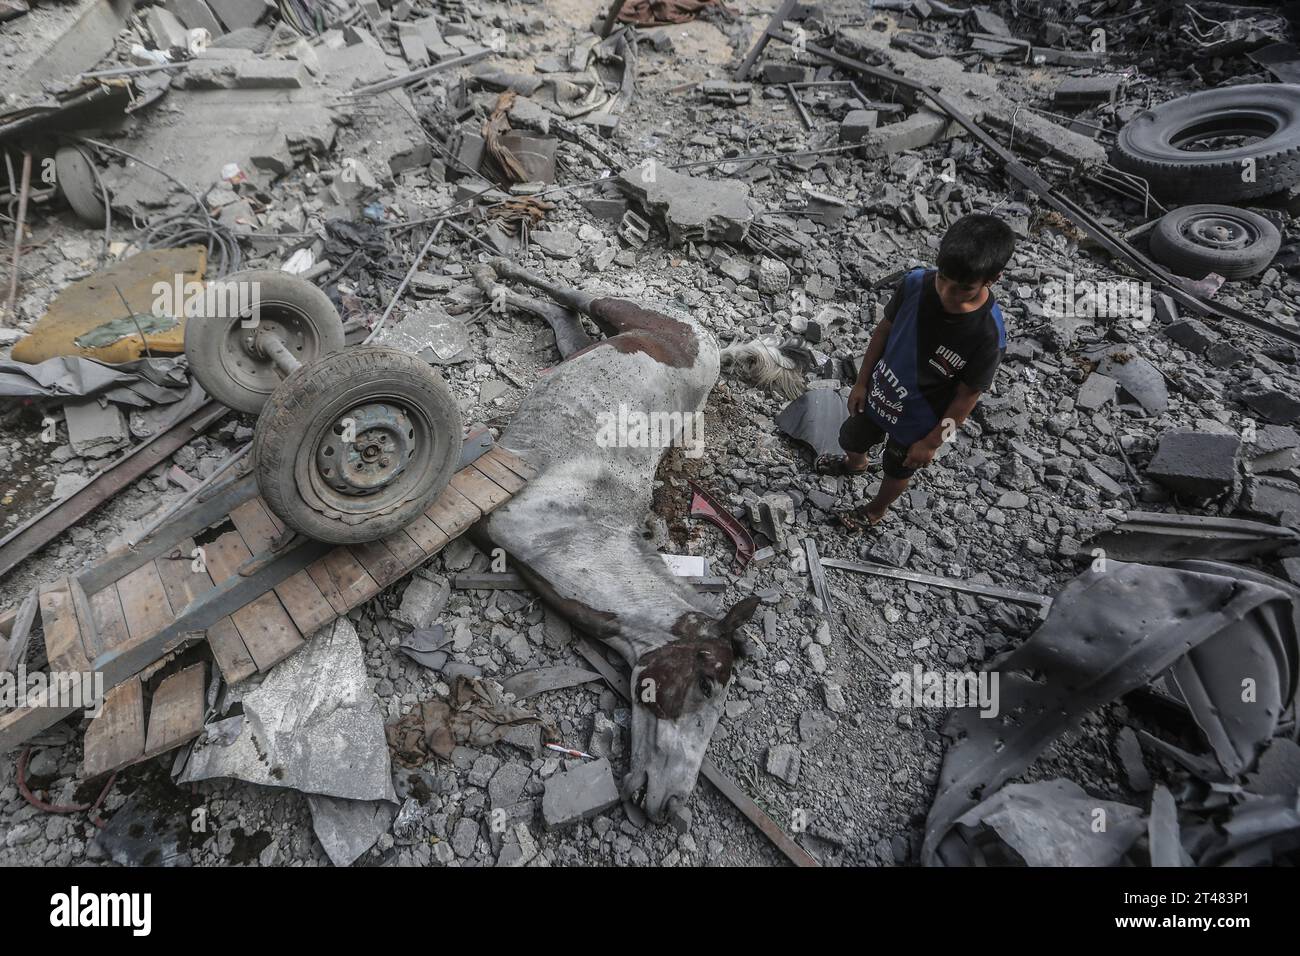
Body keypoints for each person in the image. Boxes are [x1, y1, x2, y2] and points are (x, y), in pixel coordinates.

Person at [816, 213, 1016, 527]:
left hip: (918, 423)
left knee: (898, 467)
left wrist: (933, 441)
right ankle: (855, 464)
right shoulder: (916, 284)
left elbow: (967, 398)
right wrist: (861, 383)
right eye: (943, 279)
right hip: (879, 395)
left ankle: (875, 510)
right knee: (851, 437)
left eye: (963, 288)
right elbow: (883, 331)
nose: (946, 293)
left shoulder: (988, 335)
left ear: (992, 279)